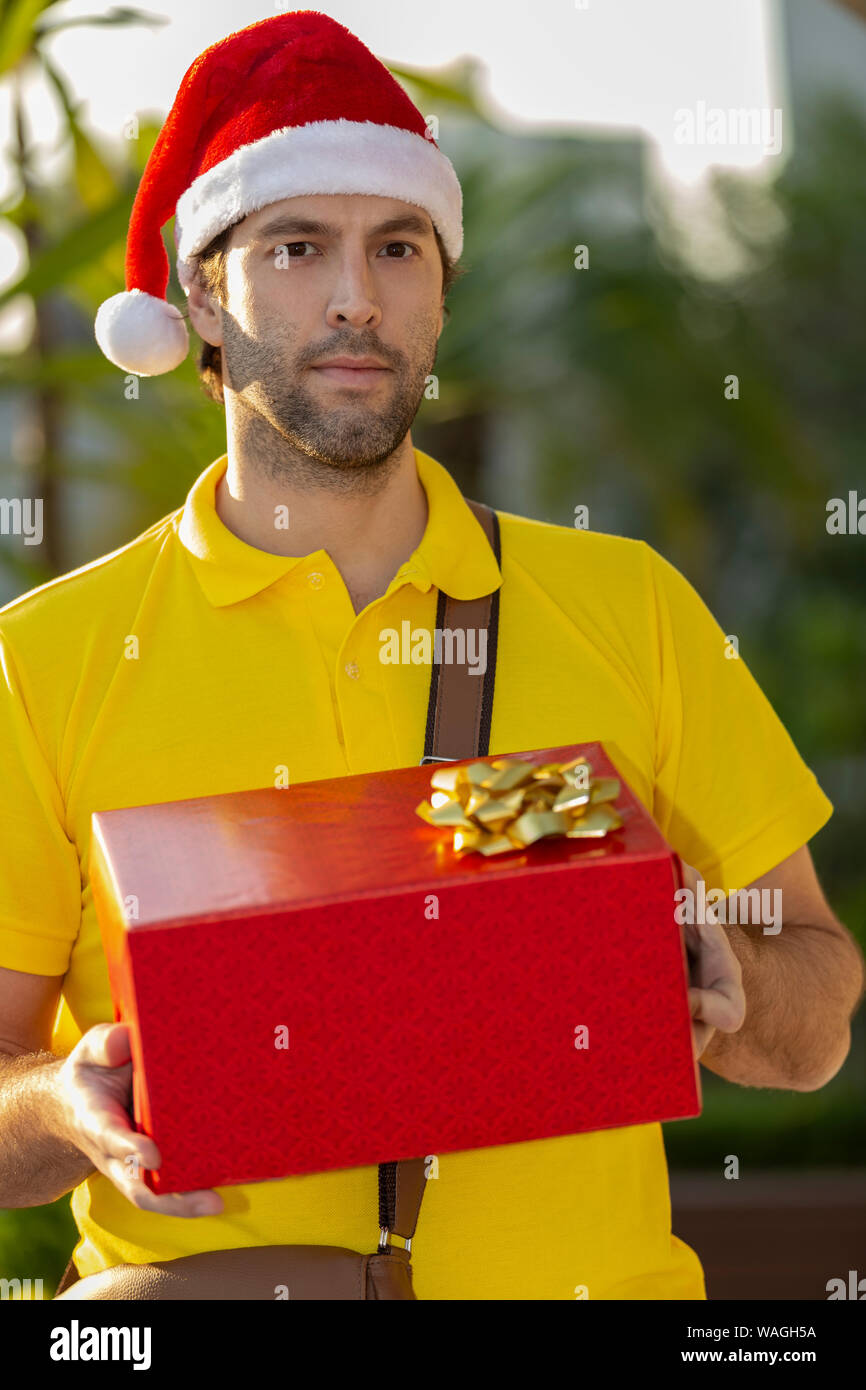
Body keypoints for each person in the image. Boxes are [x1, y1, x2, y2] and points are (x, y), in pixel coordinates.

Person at [0, 11, 861, 1301]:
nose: (358, 297)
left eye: (397, 248)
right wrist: (67, 1106)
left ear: (440, 291)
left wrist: (724, 972)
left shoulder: (627, 606)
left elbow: (817, 1018)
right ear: (202, 299)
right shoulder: (48, 659)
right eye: (298, 248)